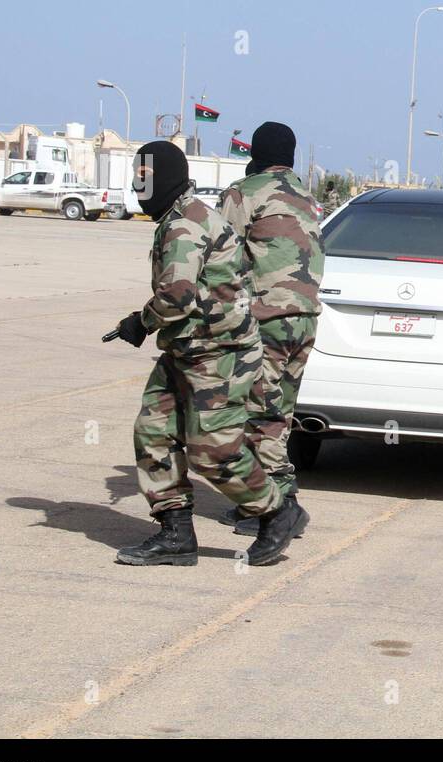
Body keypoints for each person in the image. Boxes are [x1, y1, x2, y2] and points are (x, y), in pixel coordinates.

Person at [110, 141, 305, 568]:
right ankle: (175, 534)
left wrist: (139, 323)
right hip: (187, 348)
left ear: (160, 178)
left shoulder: (185, 225)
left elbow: (177, 297)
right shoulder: (181, 216)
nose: (136, 187)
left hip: (218, 353)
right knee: (154, 434)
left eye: (142, 178)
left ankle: (276, 511)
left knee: (212, 450)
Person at [217, 122, 326, 538]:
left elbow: (218, 253)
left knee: (256, 413)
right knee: (280, 412)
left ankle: (282, 506)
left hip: (266, 319)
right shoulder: (306, 196)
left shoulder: (245, 193)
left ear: (255, 154)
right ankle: (263, 504)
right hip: (305, 320)